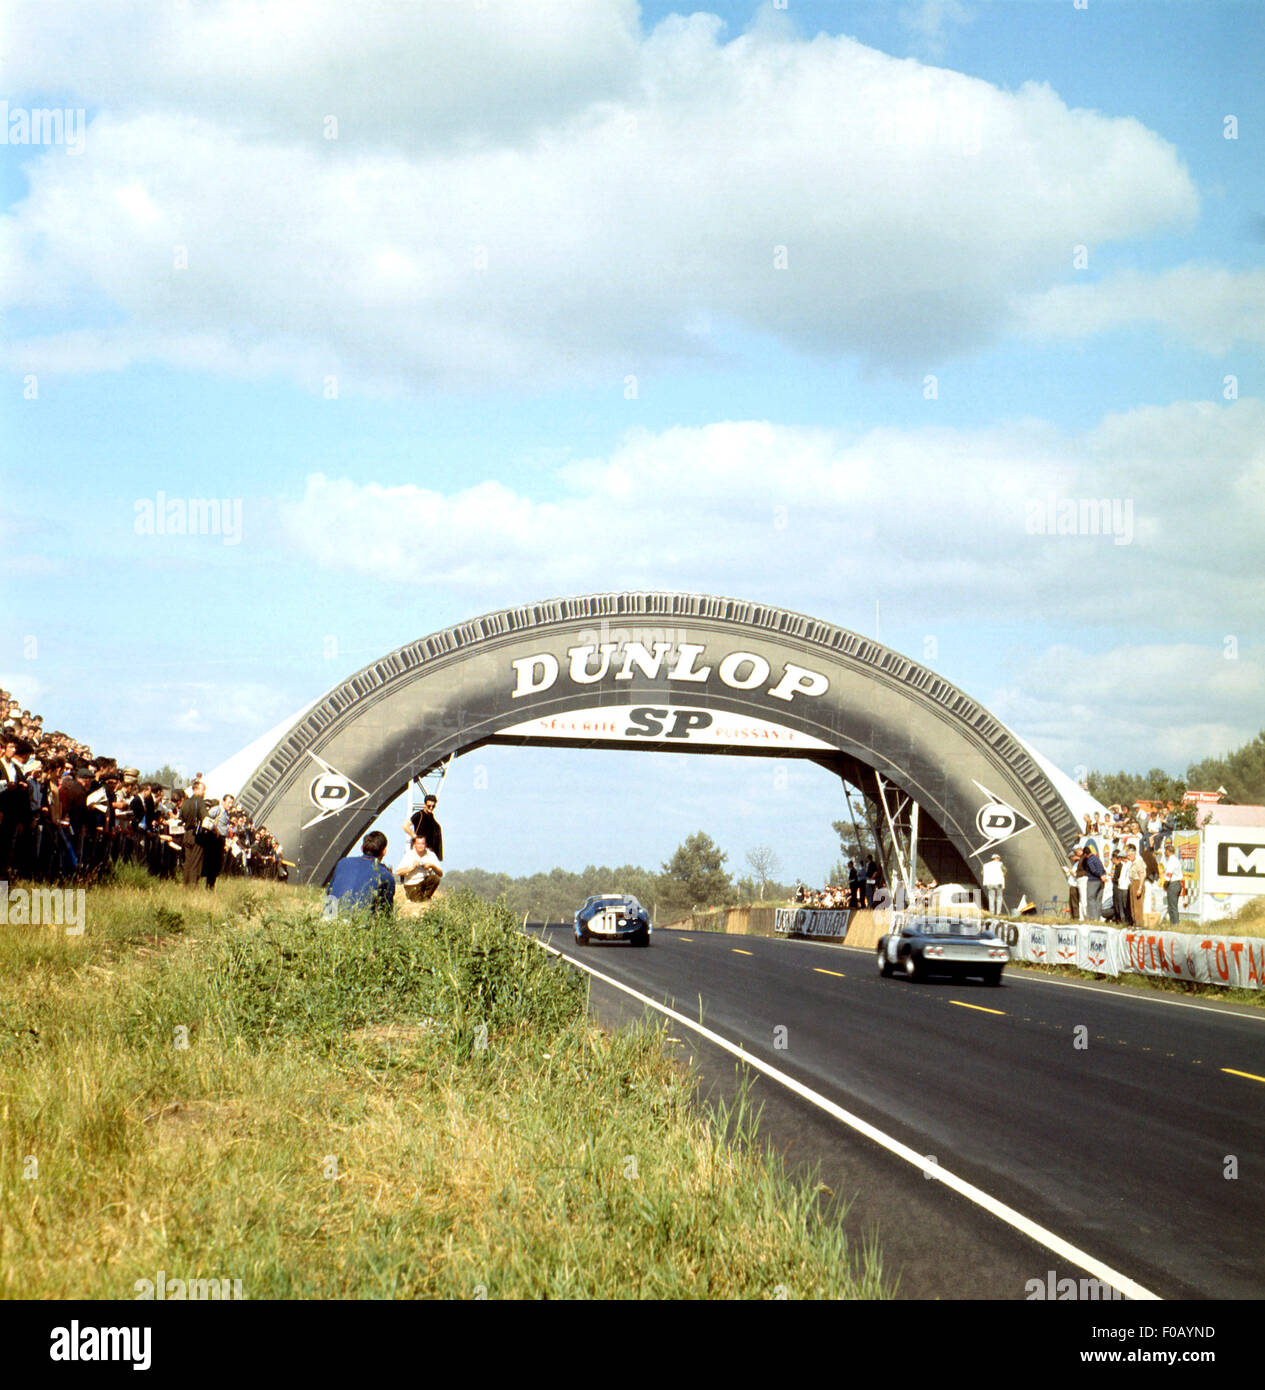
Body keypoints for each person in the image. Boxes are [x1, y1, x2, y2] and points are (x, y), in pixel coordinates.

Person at [325, 830, 396, 920]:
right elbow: (386, 914)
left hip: (329, 920)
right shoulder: (386, 875)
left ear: (362, 848)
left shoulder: (343, 862)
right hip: (358, 925)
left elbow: (329, 893)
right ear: (384, 851)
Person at [394, 834, 444, 903]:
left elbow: (440, 874)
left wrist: (432, 866)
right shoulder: (409, 855)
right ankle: (421, 899)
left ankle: (426, 897)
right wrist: (411, 868)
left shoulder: (431, 855)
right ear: (415, 845)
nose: (420, 846)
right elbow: (398, 872)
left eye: (422, 844)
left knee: (435, 878)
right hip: (412, 883)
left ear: (426, 845)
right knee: (418, 900)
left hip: (424, 882)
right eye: (418, 844)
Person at [179, 779, 210, 887]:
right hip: (197, 835)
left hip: (187, 834)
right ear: (196, 789)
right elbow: (205, 818)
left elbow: (181, 818)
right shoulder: (200, 802)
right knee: (195, 861)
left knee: (187, 861)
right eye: (203, 790)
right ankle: (193, 885)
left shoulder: (186, 802)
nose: (204, 793)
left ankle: (185, 884)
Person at [403, 794, 443, 862]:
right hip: (418, 851)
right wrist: (416, 837)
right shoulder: (419, 815)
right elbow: (405, 825)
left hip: (429, 852)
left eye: (433, 806)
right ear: (424, 804)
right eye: (429, 806)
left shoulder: (433, 821)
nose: (431, 808)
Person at [1081, 843, 1106, 921]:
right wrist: (1103, 875)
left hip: (1093, 881)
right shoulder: (1096, 858)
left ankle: (1092, 917)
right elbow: (1101, 867)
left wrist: (1099, 875)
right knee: (1099, 900)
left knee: (1091, 898)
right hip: (1101, 881)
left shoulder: (1089, 860)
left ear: (1085, 854)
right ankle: (1098, 918)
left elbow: (1093, 870)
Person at [1162, 841, 1183, 926]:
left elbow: (1169, 874)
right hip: (1177, 883)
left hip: (1173, 884)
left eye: (1165, 851)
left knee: (1172, 906)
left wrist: (1165, 884)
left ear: (1168, 851)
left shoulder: (1171, 861)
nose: (1164, 853)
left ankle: (1174, 924)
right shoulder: (1176, 859)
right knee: (1174, 905)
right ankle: (1175, 923)